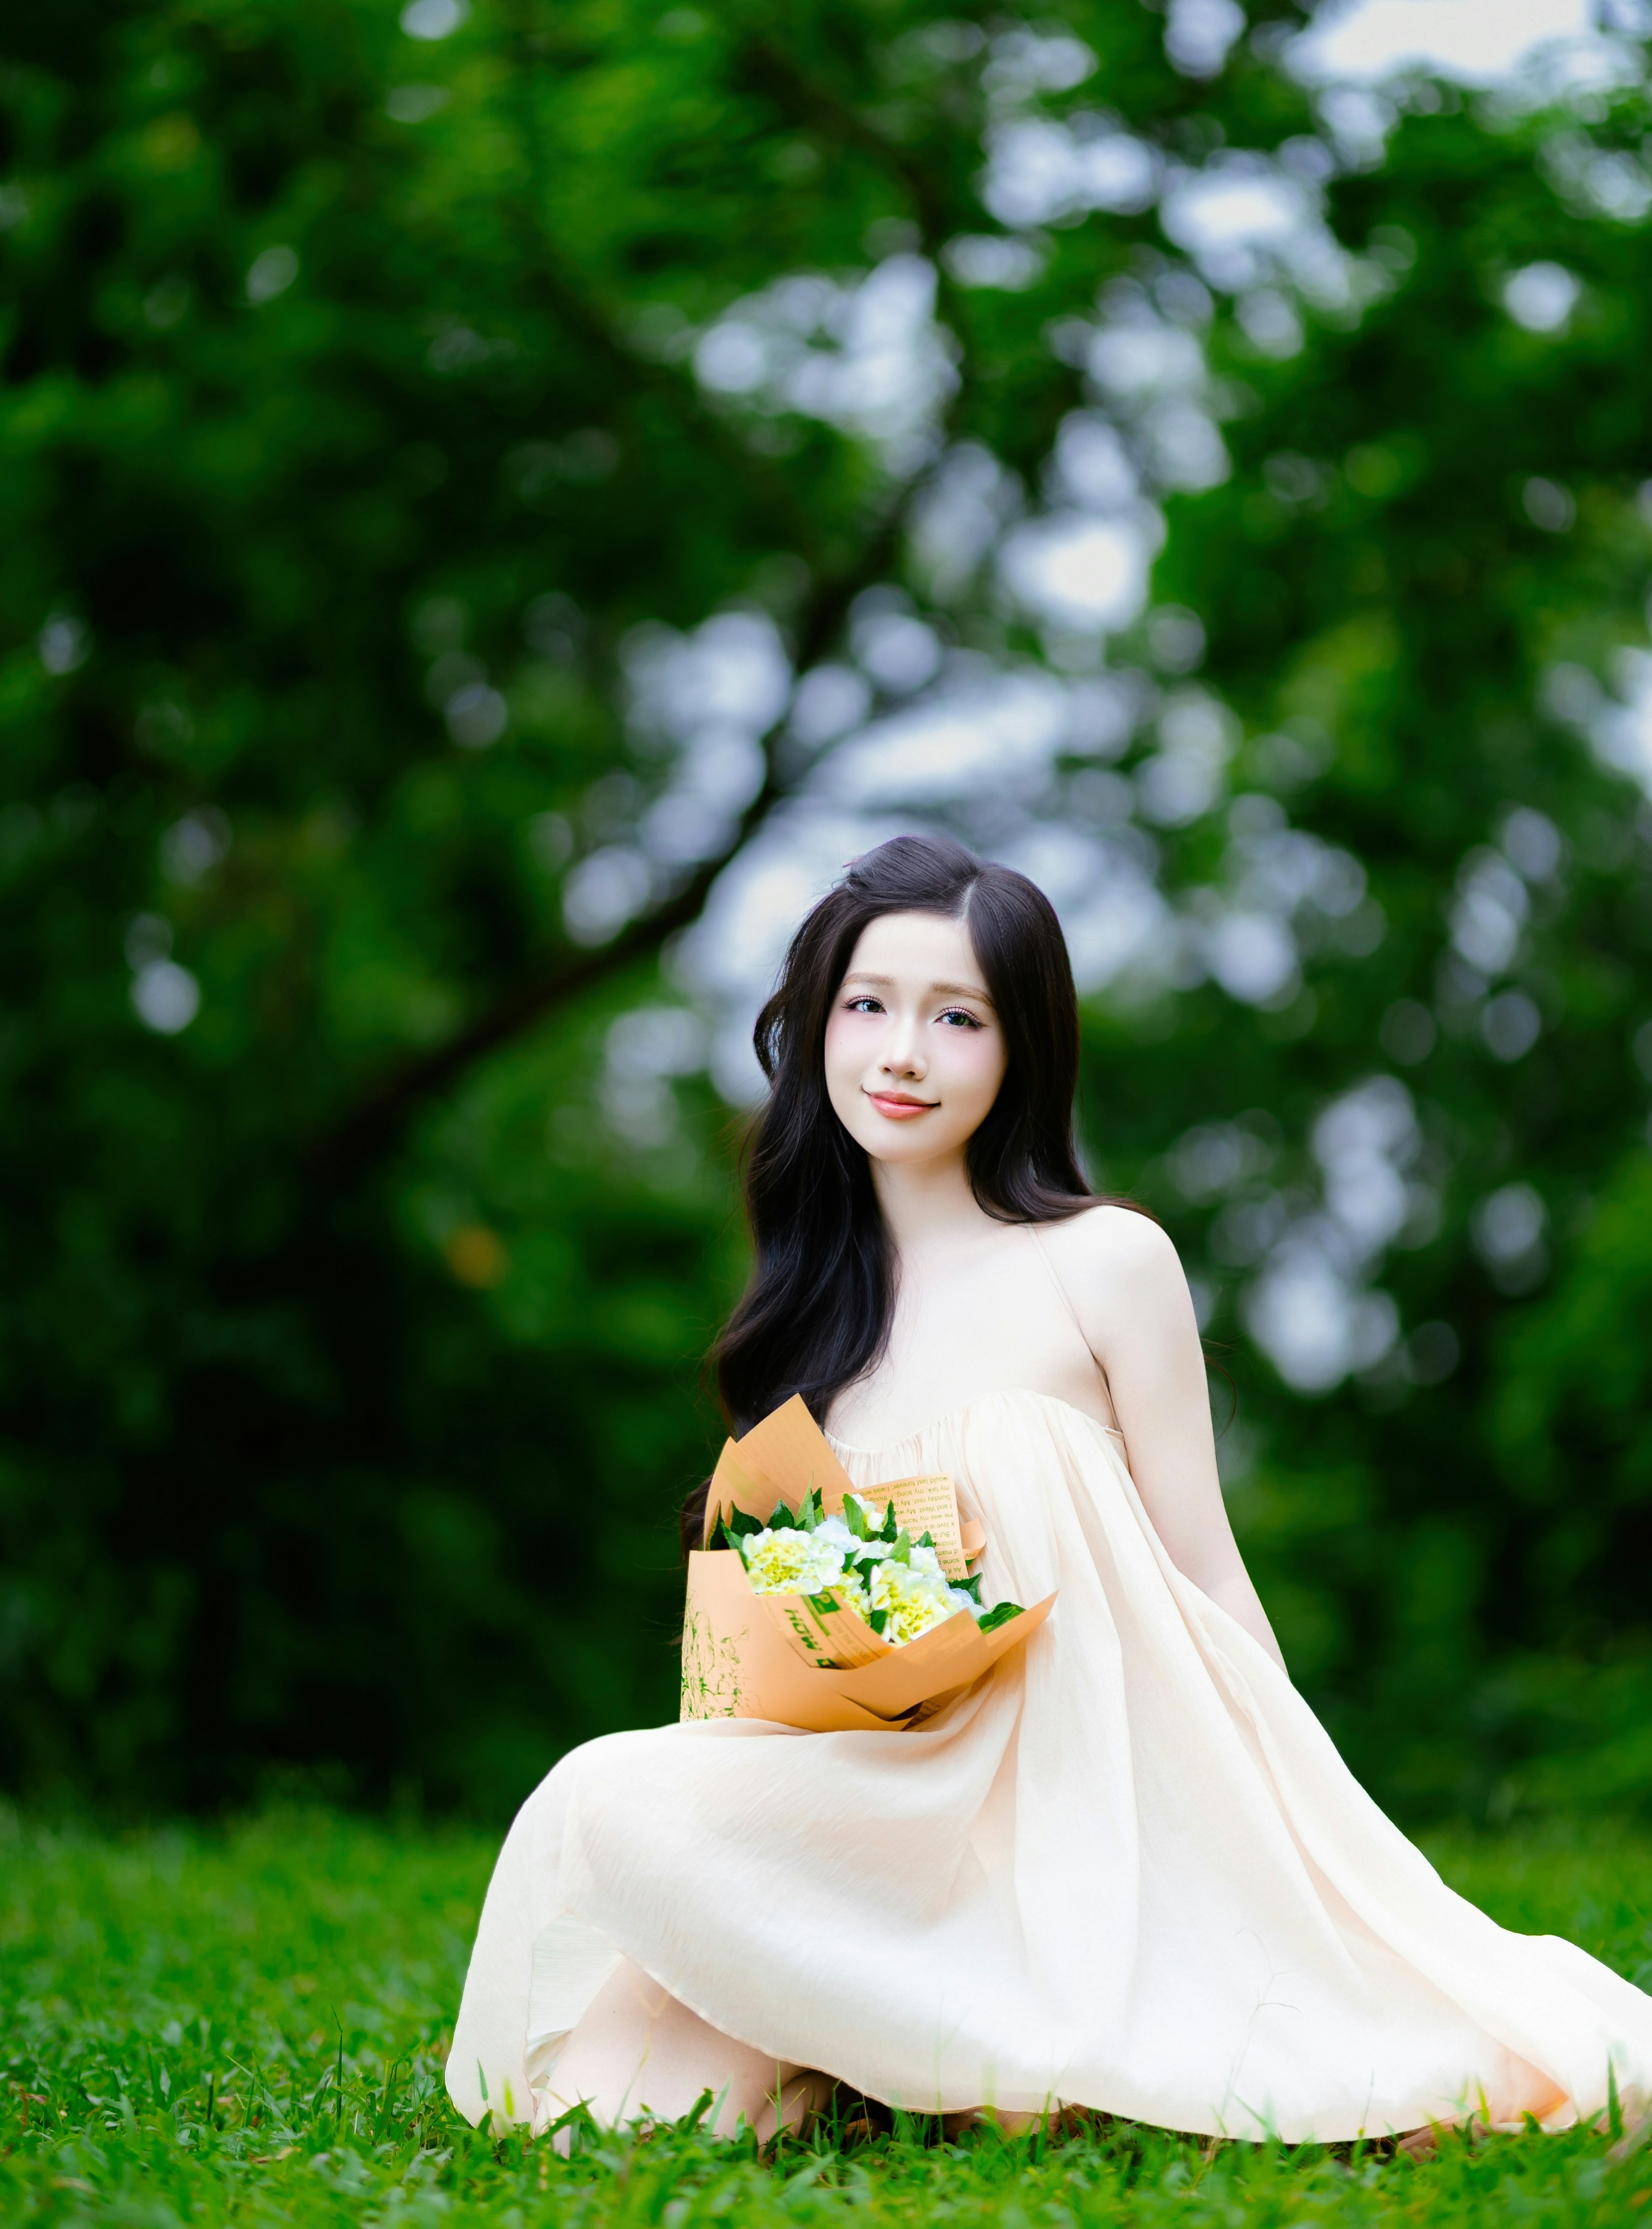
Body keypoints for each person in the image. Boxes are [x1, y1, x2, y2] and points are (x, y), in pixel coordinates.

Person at [447, 834, 1652, 2146]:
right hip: (886, 1834)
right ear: (816, 1026)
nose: (902, 1054)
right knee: (588, 2087)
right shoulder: (810, 1342)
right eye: (868, 1005)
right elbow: (805, 1685)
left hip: (1087, 1824)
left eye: (956, 1017)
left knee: (1435, 2073)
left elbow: (1205, 1562)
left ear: (1020, 1047)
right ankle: (883, 2040)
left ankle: (956, 2048)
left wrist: (1308, 1830)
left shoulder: (1105, 1263)